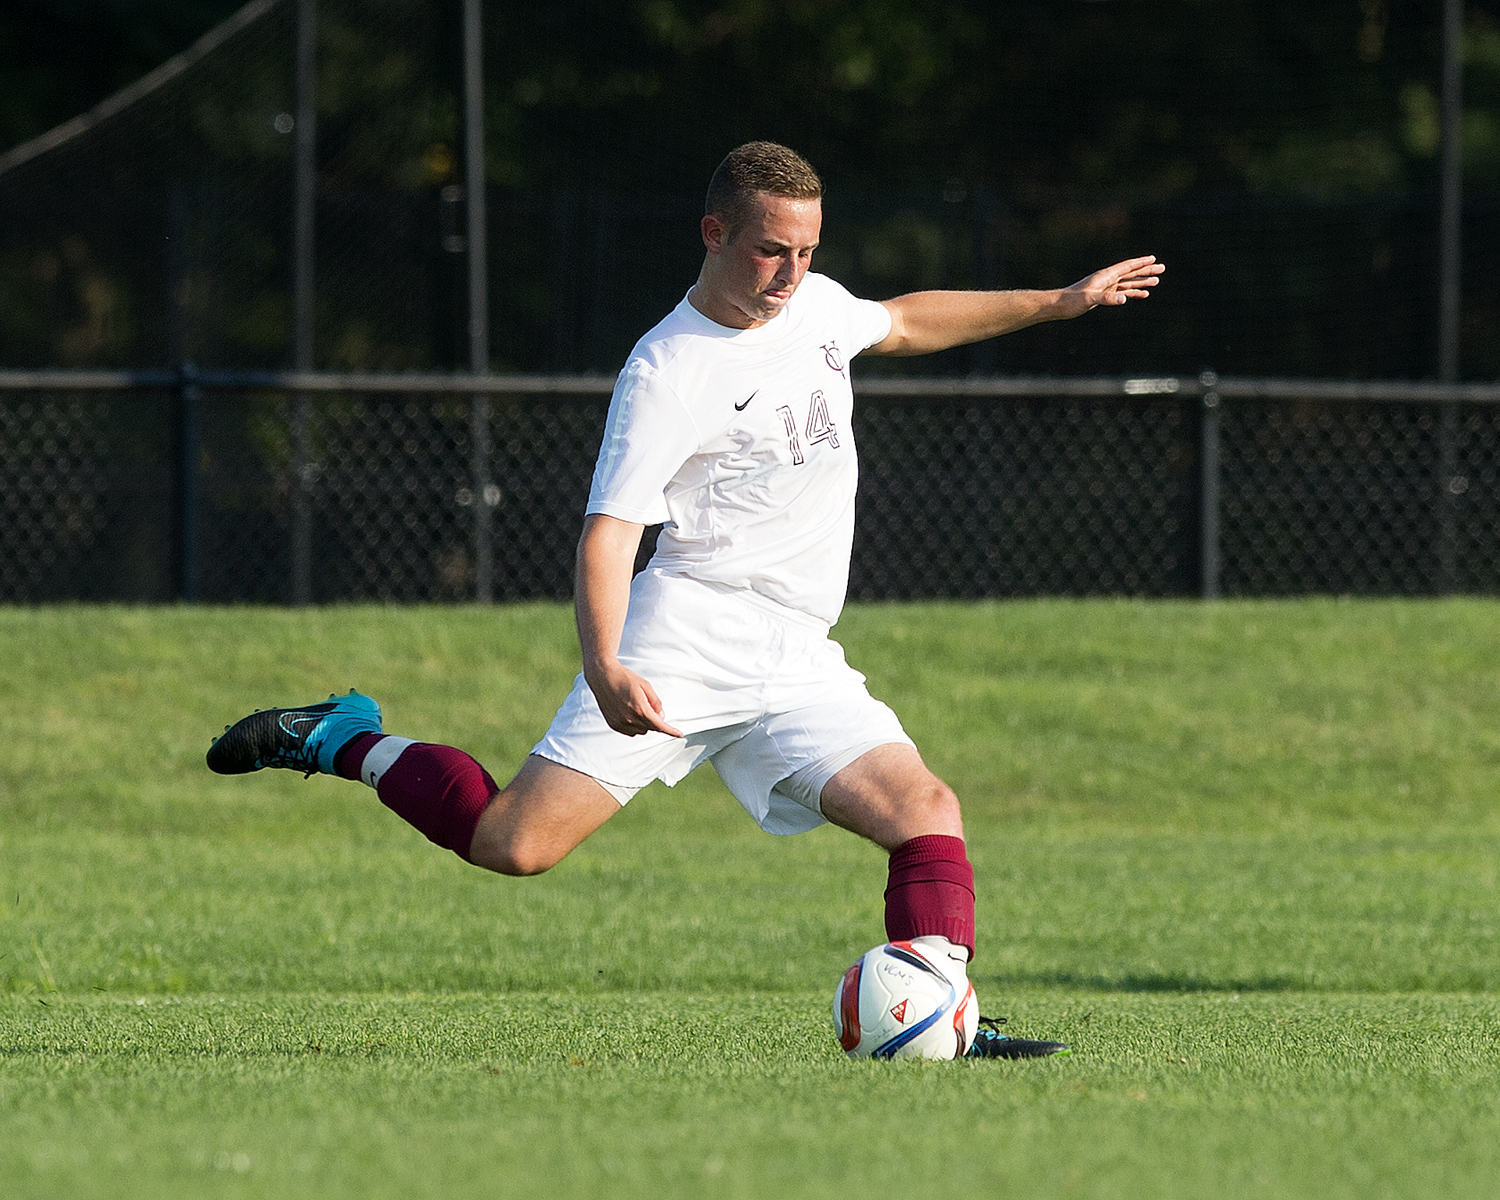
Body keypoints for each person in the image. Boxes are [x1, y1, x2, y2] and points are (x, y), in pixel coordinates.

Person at [208, 141, 1161, 1058]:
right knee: (514, 844)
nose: (790, 273)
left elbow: (905, 320)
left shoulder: (817, 307)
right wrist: (605, 663)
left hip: (794, 653)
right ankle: (341, 736)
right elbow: (609, 533)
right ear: (713, 233)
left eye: (806, 252)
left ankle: (948, 1016)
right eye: (769, 250)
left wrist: (1058, 301)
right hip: (685, 637)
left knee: (926, 811)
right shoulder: (667, 370)